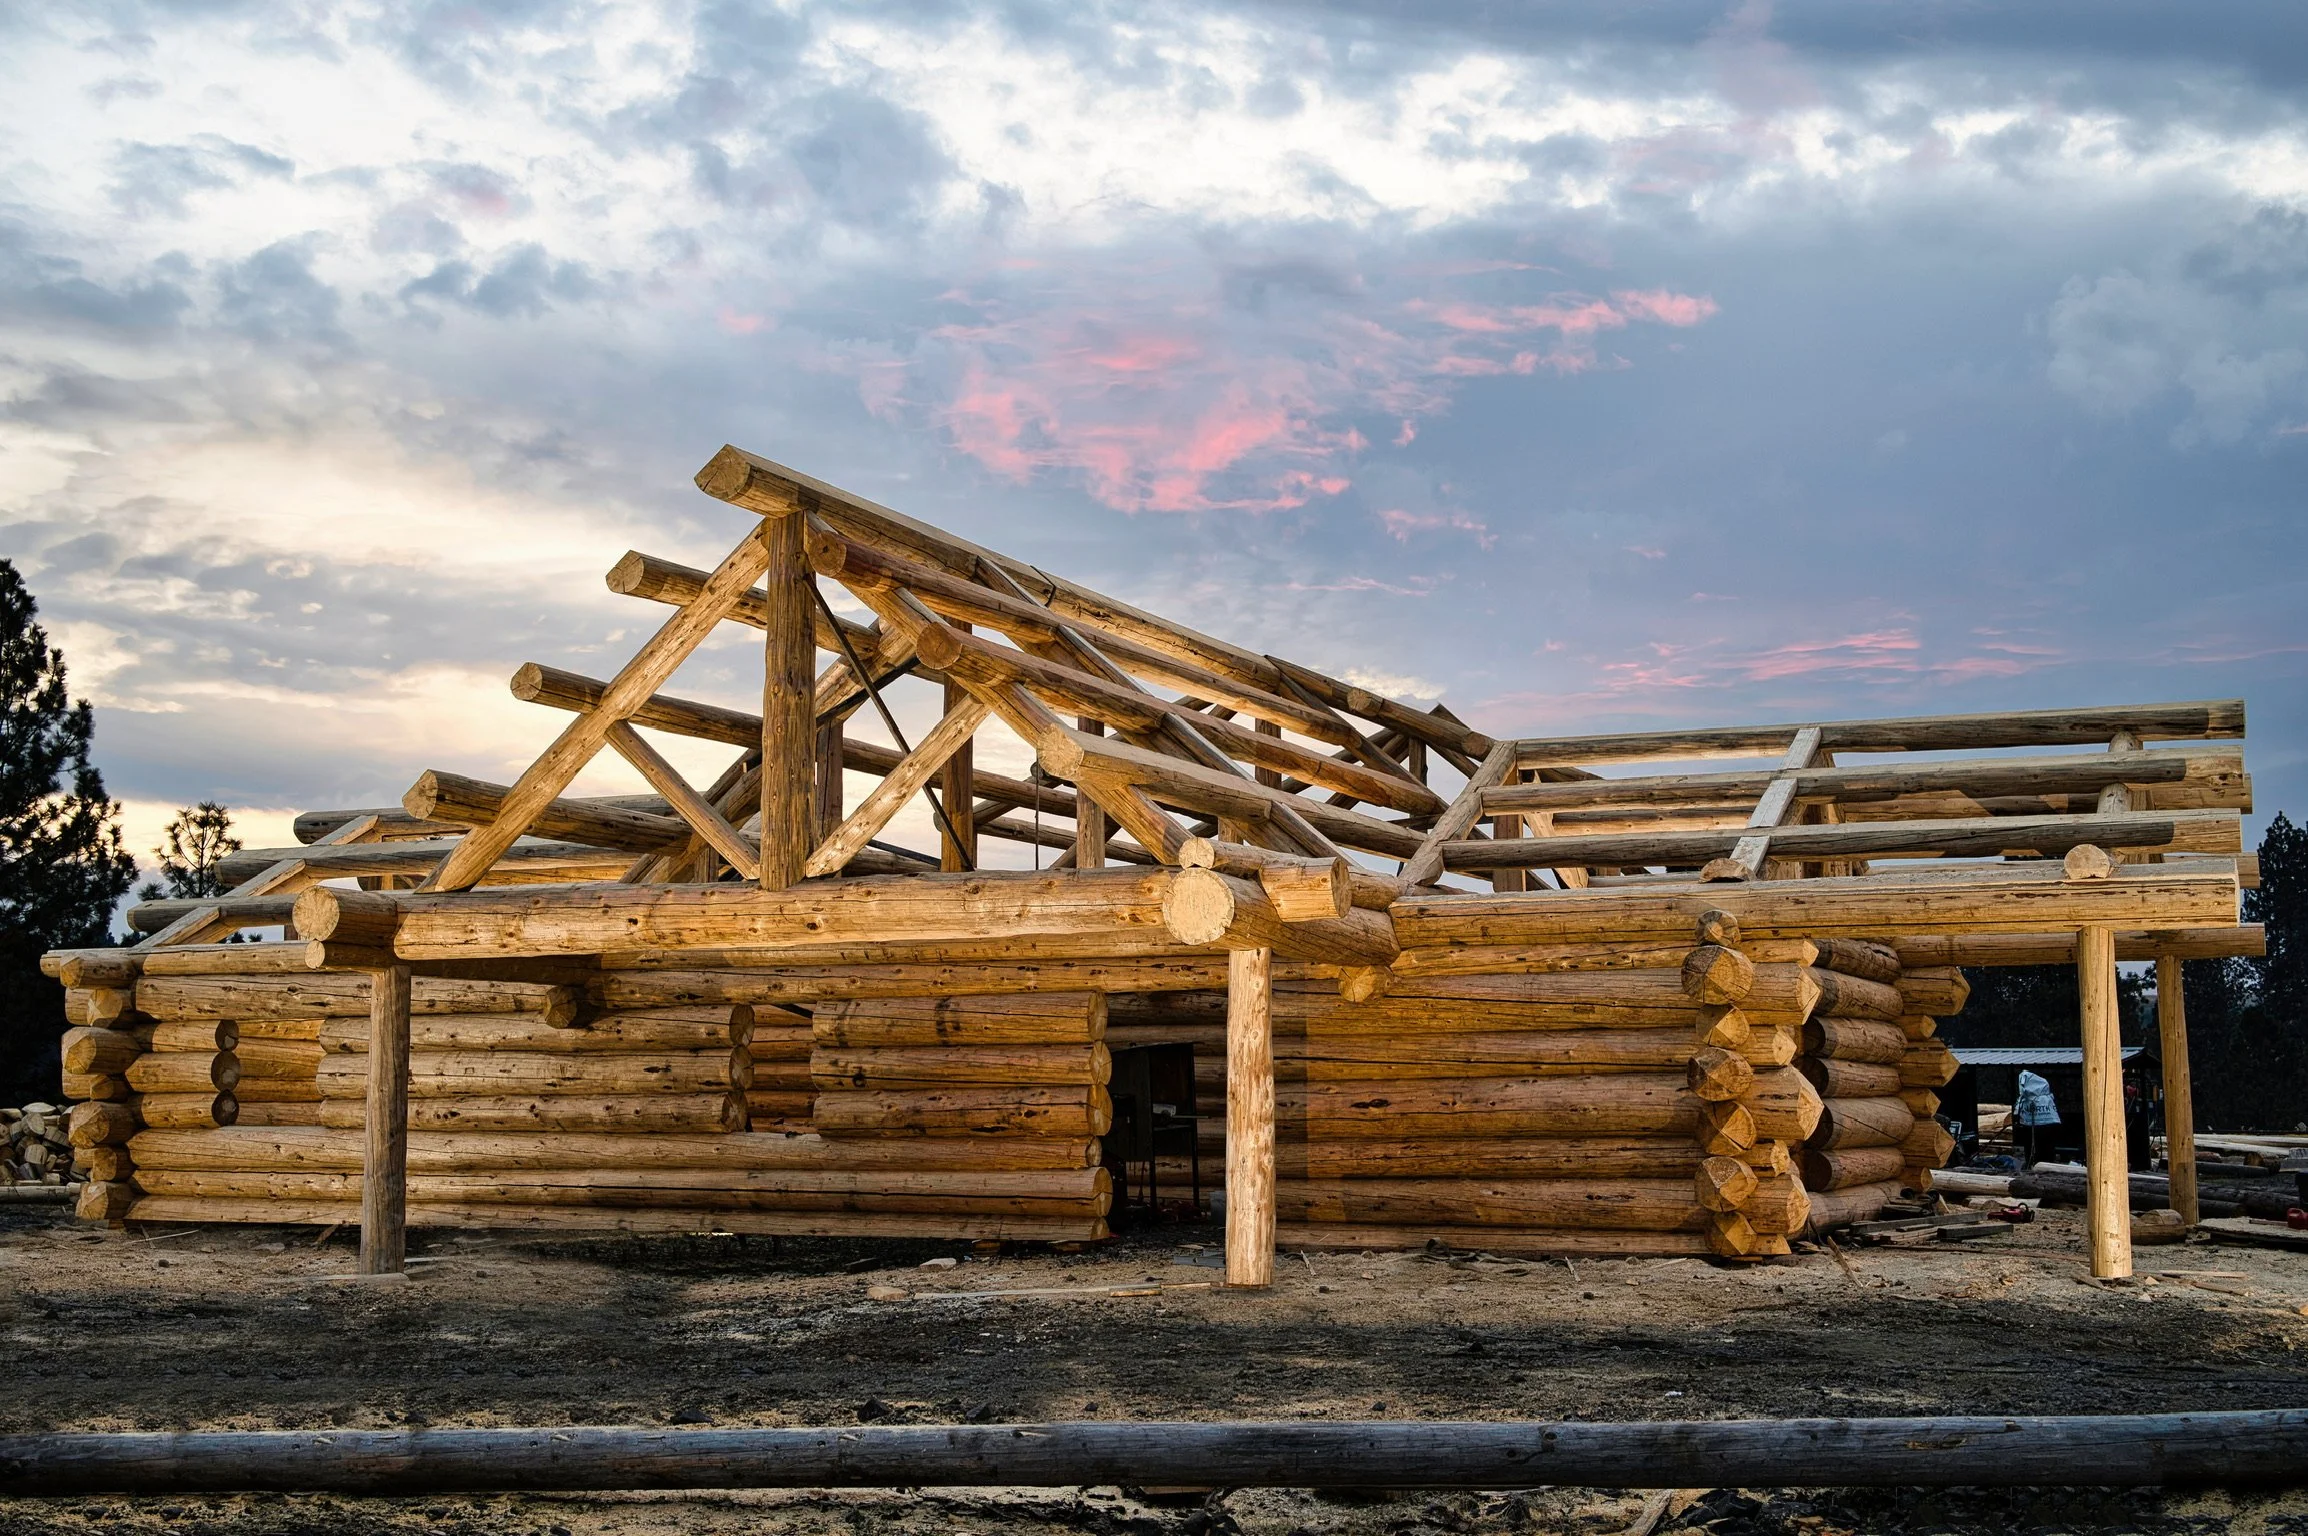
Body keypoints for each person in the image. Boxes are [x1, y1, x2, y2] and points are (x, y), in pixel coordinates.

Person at [2014, 1069, 2061, 1167]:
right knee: (2040, 1144)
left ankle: (2039, 1163)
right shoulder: (2039, 1098)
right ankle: (2037, 1163)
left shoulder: (2037, 1098)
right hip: (2040, 1125)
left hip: (2038, 1126)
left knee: (2041, 1145)